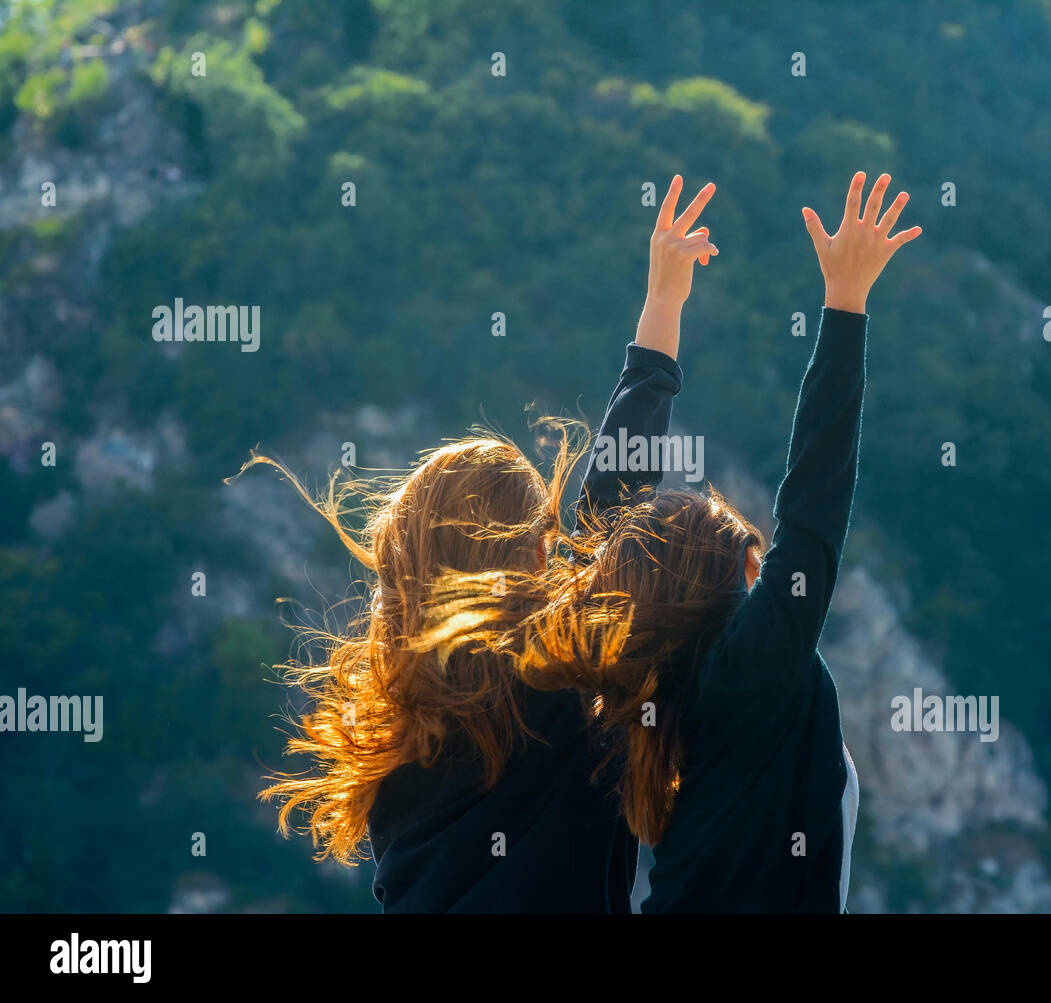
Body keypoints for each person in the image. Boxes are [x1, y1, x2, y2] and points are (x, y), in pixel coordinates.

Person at [241, 176, 720, 913]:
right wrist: (663, 303)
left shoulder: (393, 746)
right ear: (513, 560)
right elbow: (613, 500)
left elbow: (606, 506)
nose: (553, 560)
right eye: (540, 543)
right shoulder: (556, 684)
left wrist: (660, 307)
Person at [564, 172, 921, 911]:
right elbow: (815, 498)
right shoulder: (751, 668)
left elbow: (603, 524)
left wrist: (663, 305)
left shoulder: (638, 669)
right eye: (753, 560)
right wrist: (845, 303)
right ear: (733, 574)